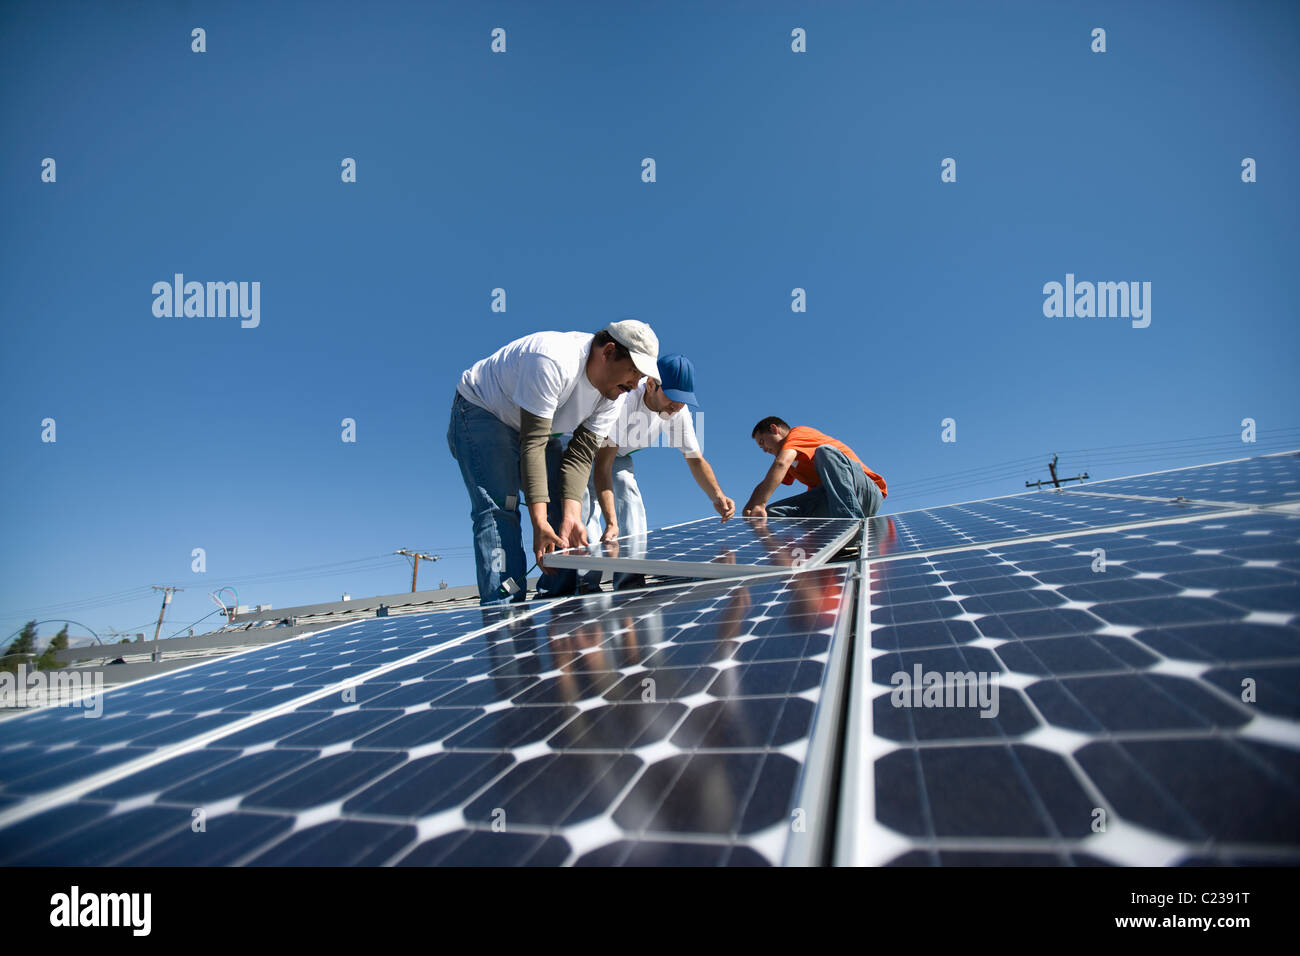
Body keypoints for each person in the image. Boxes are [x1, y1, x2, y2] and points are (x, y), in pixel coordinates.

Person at [447, 321, 660, 604]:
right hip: (484, 410)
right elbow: (532, 442)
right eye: (634, 372)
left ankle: (557, 600)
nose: (636, 384)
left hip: (540, 430)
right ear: (608, 352)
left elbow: (581, 455)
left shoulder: (614, 395)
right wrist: (538, 521)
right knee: (503, 506)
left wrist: (571, 517)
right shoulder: (553, 360)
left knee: (563, 514)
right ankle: (504, 609)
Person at [582, 353, 736, 590]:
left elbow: (695, 459)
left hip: (618, 455)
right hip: (585, 448)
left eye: (683, 400)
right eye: (672, 398)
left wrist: (717, 495)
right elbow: (602, 466)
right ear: (651, 384)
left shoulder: (677, 411)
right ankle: (585, 582)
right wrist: (611, 521)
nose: (676, 407)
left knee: (629, 495)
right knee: (586, 506)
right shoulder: (625, 400)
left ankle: (630, 580)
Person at [742, 416, 887, 522]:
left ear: (774, 429)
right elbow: (765, 483)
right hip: (832, 501)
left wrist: (760, 503)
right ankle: (810, 548)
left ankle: (850, 528)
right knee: (771, 513)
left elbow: (781, 464)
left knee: (825, 452)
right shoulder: (788, 462)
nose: (764, 450)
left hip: (864, 491)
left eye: (762, 442)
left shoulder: (798, 434)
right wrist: (749, 509)